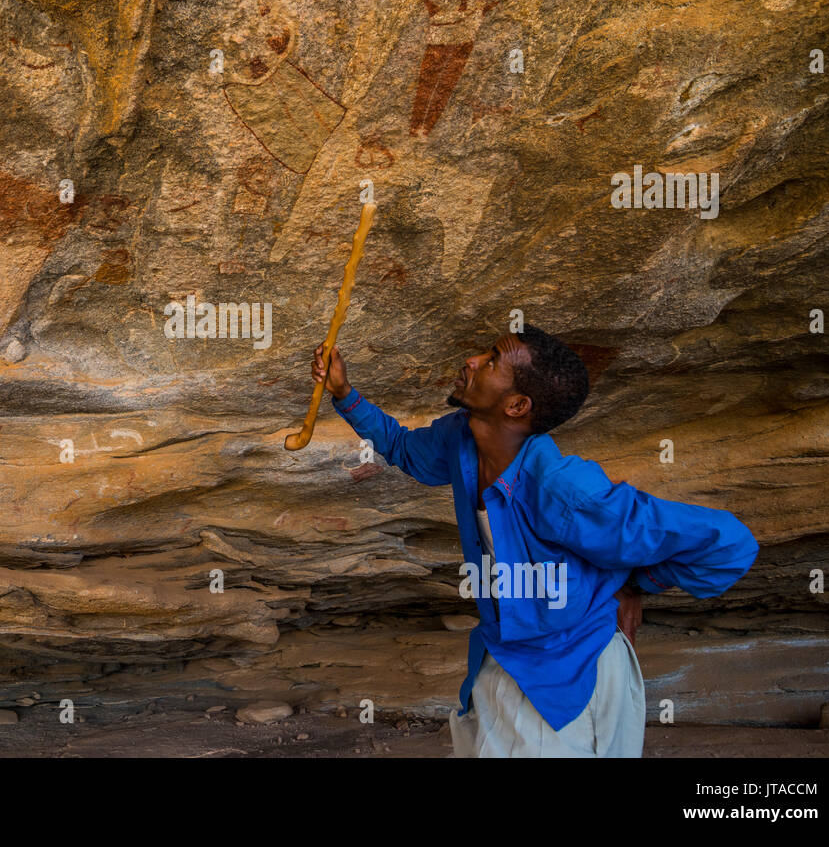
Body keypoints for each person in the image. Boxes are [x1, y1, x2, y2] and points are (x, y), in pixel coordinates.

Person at [310, 323, 758, 757]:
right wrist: (344, 394)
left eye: (491, 361)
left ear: (517, 405)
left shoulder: (564, 490)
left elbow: (730, 544)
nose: (471, 360)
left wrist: (638, 586)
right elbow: (406, 450)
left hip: (574, 677)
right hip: (505, 657)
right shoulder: (461, 438)